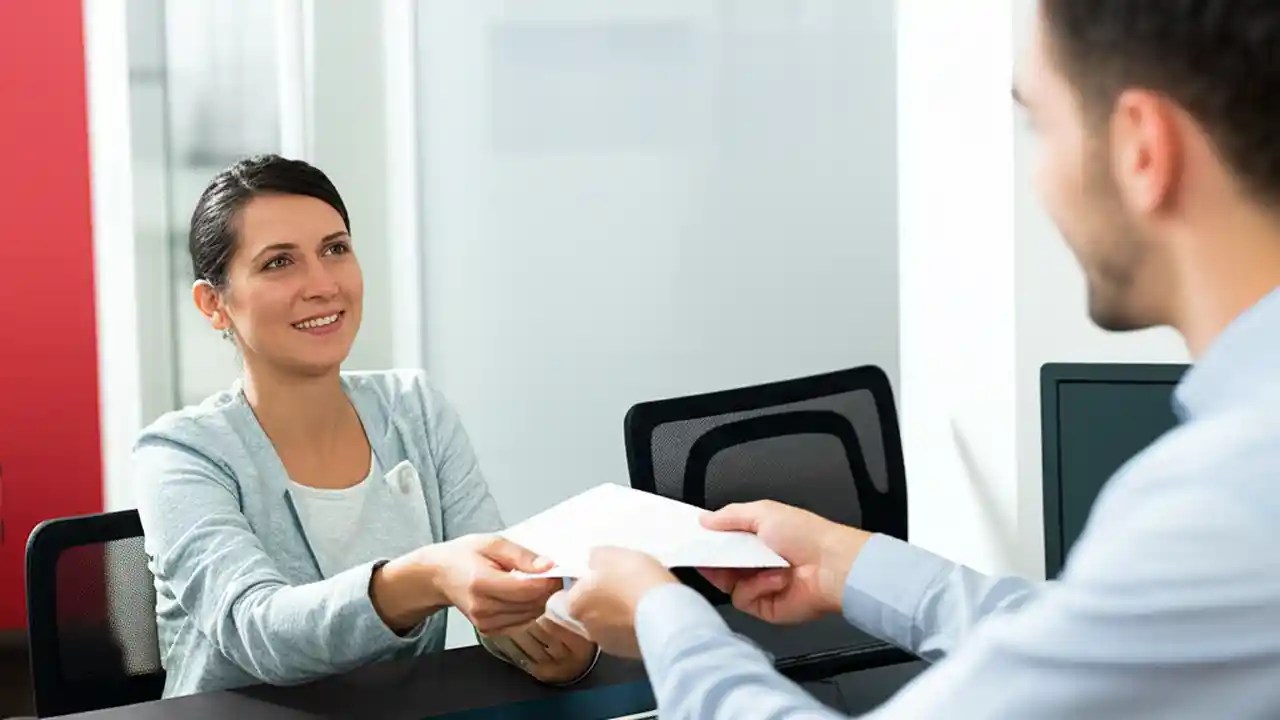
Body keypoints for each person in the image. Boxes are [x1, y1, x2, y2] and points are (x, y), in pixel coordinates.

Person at [563, 1, 1280, 717]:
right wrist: (846, 563)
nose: (1039, 180)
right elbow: (1104, 645)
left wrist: (664, 620)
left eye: (1041, 125)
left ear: (1141, 150)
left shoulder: (1227, 502)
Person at [134, 155, 597, 697]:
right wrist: (426, 578)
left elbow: (492, 580)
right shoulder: (179, 454)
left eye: (335, 249)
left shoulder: (413, 408)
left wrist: (545, 630)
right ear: (214, 304)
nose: (323, 284)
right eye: (279, 263)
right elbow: (258, 631)